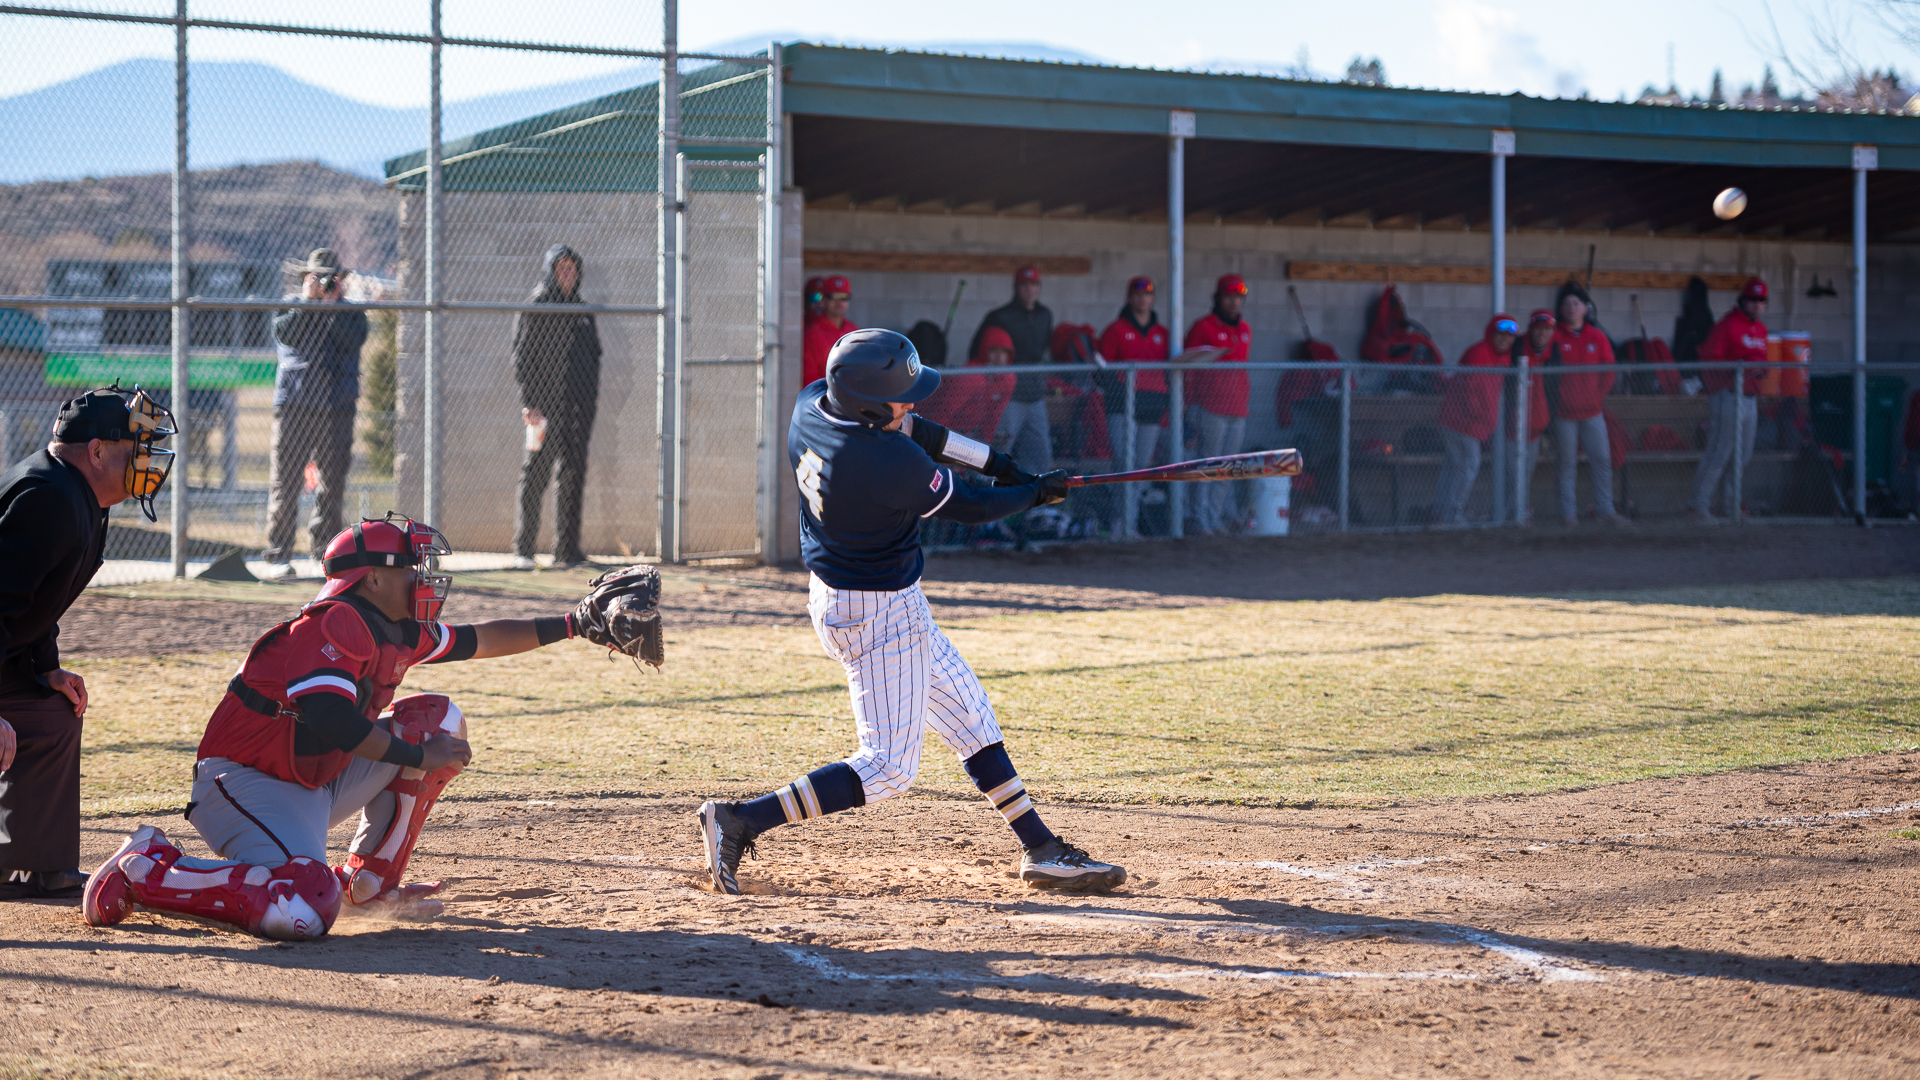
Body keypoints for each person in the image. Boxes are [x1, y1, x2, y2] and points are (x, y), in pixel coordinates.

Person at [693, 329, 1124, 896]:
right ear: (870, 404)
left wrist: (1001, 463)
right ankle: (742, 818)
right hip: (876, 613)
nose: (913, 401)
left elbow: (919, 429)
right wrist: (1033, 493)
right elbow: (969, 506)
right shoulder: (879, 458)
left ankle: (1041, 849)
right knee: (890, 768)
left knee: (971, 715)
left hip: (861, 597)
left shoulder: (812, 404)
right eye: (901, 394)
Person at [83, 515, 635, 940]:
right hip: (243, 784)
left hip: (311, 778)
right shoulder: (335, 620)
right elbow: (330, 718)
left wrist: (575, 623)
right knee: (298, 907)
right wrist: (418, 759)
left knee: (436, 721)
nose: (421, 577)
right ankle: (151, 868)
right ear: (372, 577)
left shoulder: (391, 624)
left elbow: (481, 639)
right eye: (408, 567)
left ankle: (369, 885)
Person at [0, 386, 173, 901]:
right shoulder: (48, 499)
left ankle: (29, 862)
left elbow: (35, 602)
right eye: (135, 447)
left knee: (55, 709)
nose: (147, 460)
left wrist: (46, 668)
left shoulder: (80, 495)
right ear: (96, 451)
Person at [263, 249, 369, 577]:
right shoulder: (291, 306)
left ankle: (327, 554)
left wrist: (331, 306)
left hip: (337, 406)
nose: (325, 283)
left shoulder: (351, 314)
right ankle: (278, 555)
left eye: (331, 278)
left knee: (332, 483)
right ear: (306, 279)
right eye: (318, 277)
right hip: (295, 404)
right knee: (286, 481)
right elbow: (285, 335)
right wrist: (309, 303)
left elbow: (353, 341)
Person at [511, 245, 603, 570]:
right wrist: (530, 404)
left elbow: (594, 357)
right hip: (544, 409)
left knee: (573, 475)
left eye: (572, 269)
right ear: (550, 272)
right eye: (561, 269)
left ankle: (567, 550)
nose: (568, 274)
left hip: (577, 410)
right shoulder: (537, 305)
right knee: (536, 474)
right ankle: (524, 550)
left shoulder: (581, 310)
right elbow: (522, 357)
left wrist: (589, 402)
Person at [1686, 278, 1769, 524]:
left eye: (1761, 300)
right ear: (1743, 300)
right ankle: (1697, 506)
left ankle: (1729, 505)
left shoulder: (1761, 330)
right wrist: (1730, 374)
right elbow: (1708, 359)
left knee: (1741, 457)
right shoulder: (1727, 326)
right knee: (1719, 453)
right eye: (1752, 299)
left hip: (1751, 399)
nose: (1756, 304)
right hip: (1728, 397)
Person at [1097, 276, 1173, 535]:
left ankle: (1131, 523)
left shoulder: (1163, 334)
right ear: (1129, 297)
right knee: (1123, 464)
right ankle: (1119, 522)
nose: (1143, 299)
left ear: (1153, 298)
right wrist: (1118, 387)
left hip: (1151, 408)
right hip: (1122, 407)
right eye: (1138, 294)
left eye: (1148, 294)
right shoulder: (1116, 329)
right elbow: (1100, 369)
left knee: (1140, 468)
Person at [1546, 289, 1626, 526]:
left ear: (1585, 308)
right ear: (1560, 309)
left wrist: (1596, 397)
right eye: (1566, 304)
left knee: (1601, 459)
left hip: (1592, 412)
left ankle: (1605, 509)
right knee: (1567, 463)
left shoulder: (1596, 336)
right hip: (1564, 414)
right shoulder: (1554, 336)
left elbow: (1608, 371)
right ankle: (1568, 514)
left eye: (1576, 303)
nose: (1571, 307)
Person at [1184, 274, 1254, 534]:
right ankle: (1199, 519)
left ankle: (1215, 518)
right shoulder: (1203, 326)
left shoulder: (1245, 329)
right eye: (1229, 297)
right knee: (1207, 465)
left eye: (1239, 297)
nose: (1235, 302)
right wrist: (1187, 407)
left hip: (1237, 408)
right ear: (1218, 298)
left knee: (1227, 468)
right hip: (1210, 407)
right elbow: (1188, 368)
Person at [1434, 315, 1519, 527]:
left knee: (1456, 466)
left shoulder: (1505, 358)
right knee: (1469, 465)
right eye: (1500, 335)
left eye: (1509, 336)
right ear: (1492, 333)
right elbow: (1469, 391)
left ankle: (1443, 511)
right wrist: (1483, 417)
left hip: (1473, 424)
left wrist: (1488, 421)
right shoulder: (1479, 352)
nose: (1504, 340)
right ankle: (1452, 513)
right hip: (1461, 421)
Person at [968, 266, 1055, 473]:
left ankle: (1034, 503)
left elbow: (1045, 350)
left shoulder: (1045, 315)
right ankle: (990, 499)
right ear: (1016, 288)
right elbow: (976, 352)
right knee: (998, 454)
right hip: (1007, 396)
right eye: (1024, 285)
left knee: (1041, 457)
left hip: (1035, 396)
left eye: (1034, 285)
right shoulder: (1000, 317)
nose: (1029, 290)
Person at [1508, 309, 1556, 522]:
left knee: (1526, 472)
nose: (1542, 334)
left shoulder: (1554, 353)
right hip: (1512, 427)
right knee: (1511, 473)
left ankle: (1518, 511)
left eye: (1546, 329)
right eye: (1538, 329)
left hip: (1536, 426)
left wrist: (1549, 426)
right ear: (1531, 329)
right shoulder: (1517, 347)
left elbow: (1555, 392)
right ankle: (1507, 513)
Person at [802, 275, 858, 388]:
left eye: (844, 297)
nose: (839, 302)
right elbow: (810, 377)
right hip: (825, 398)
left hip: (852, 397)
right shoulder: (813, 332)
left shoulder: (854, 331)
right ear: (824, 300)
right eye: (833, 297)